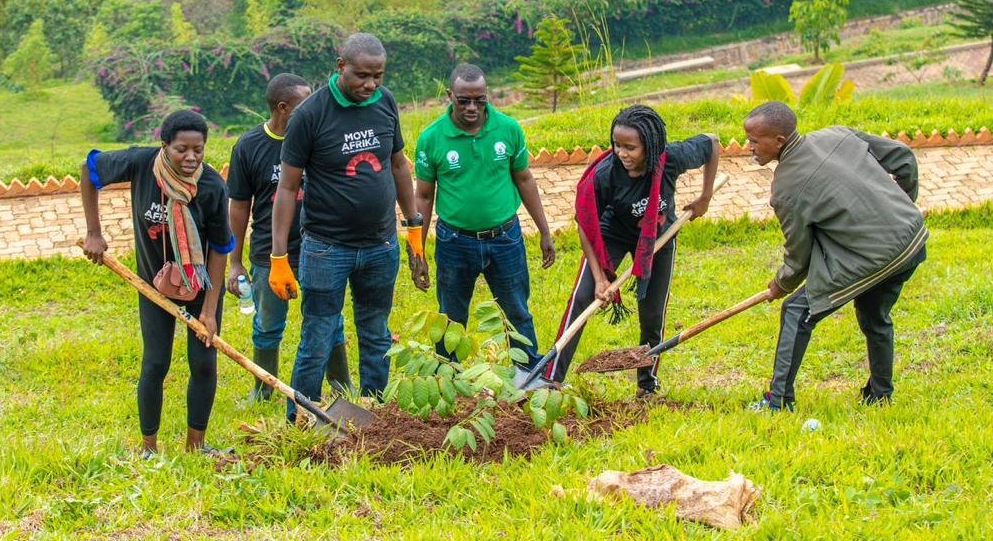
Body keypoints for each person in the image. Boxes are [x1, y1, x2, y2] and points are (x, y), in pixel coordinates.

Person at [269, 33, 423, 421]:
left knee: (376, 333)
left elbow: (399, 164)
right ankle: (302, 418)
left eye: (378, 76)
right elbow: (287, 188)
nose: (370, 85)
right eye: (361, 76)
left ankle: (375, 415)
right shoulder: (310, 115)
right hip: (326, 248)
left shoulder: (385, 103)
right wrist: (278, 257)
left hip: (380, 246)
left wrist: (414, 228)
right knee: (317, 338)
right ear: (340, 67)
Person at [743, 102, 928, 411]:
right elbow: (904, 158)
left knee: (795, 310)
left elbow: (799, 255)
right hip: (911, 240)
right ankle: (880, 396)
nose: (749, 147)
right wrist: (902, 206)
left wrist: (781, 284)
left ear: (779, 141)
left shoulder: (787, 188)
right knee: (874, 314)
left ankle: (778, 401)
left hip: (874, 257)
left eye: (754, 140)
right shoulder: (837, 135)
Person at [80, 110, 235, 457]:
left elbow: (221, 249)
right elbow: (88, 171)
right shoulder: (140, 163)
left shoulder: (210, 186)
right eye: (182, 149)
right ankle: (148, 447)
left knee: (204, 363)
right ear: (164, 146)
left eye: (198, 149)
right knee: (155, 362)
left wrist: (209, 312)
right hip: (154, 286)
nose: (191, 157)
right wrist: (94, 232)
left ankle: (196, 445)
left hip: (201, 285)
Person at [547, 105, 720, 396]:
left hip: (657, 238)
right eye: (617, 145)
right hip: (611, 233)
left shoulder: (672, 158)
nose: (622, 153)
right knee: (582, 297)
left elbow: (713, 142)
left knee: (653, 314)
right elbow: (586, 223)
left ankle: (647, 385)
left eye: (630, 147)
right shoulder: (606, 174)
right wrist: (601, 277)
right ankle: (552, 377)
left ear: (650, 146)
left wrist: (705, 196)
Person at [412, 63, 556, 365]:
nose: (472, 107)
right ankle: (448, 380)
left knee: (517, 311)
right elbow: (423, 196)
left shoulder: (509, 130)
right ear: (450, 96)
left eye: (480, 99)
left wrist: (544, 231)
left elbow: (524, 179)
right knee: (451, 318)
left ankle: (528, 375)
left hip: (505, 238)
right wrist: (418, 251)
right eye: (463, 100)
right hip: (454, 242)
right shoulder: (432, 138)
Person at [226, 73, 351, 403]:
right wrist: (235, 261)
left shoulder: (320, 138)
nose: (312, 110)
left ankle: (342, 386)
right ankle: (264, 391)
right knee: (267, 325)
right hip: (270, 254)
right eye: (302, 105)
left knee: (330, 321)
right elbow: (239, 207)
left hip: (320, 249)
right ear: (282, 108)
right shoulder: (249, 147)